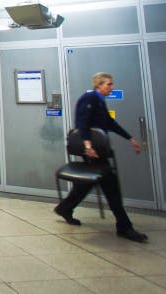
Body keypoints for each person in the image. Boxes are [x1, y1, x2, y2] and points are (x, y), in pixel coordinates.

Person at [54, 72, 149, 243]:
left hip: (97, 151)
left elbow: (110, 123)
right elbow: (82, 123)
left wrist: (130, 138)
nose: (111, 87)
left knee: (87, 183)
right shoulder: (89, 98)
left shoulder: (99, 101)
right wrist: (87, 145)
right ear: (99, 84)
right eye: (108, 84)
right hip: (93, 152)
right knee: (111, 188)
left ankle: (65, 207)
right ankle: (124, 227)